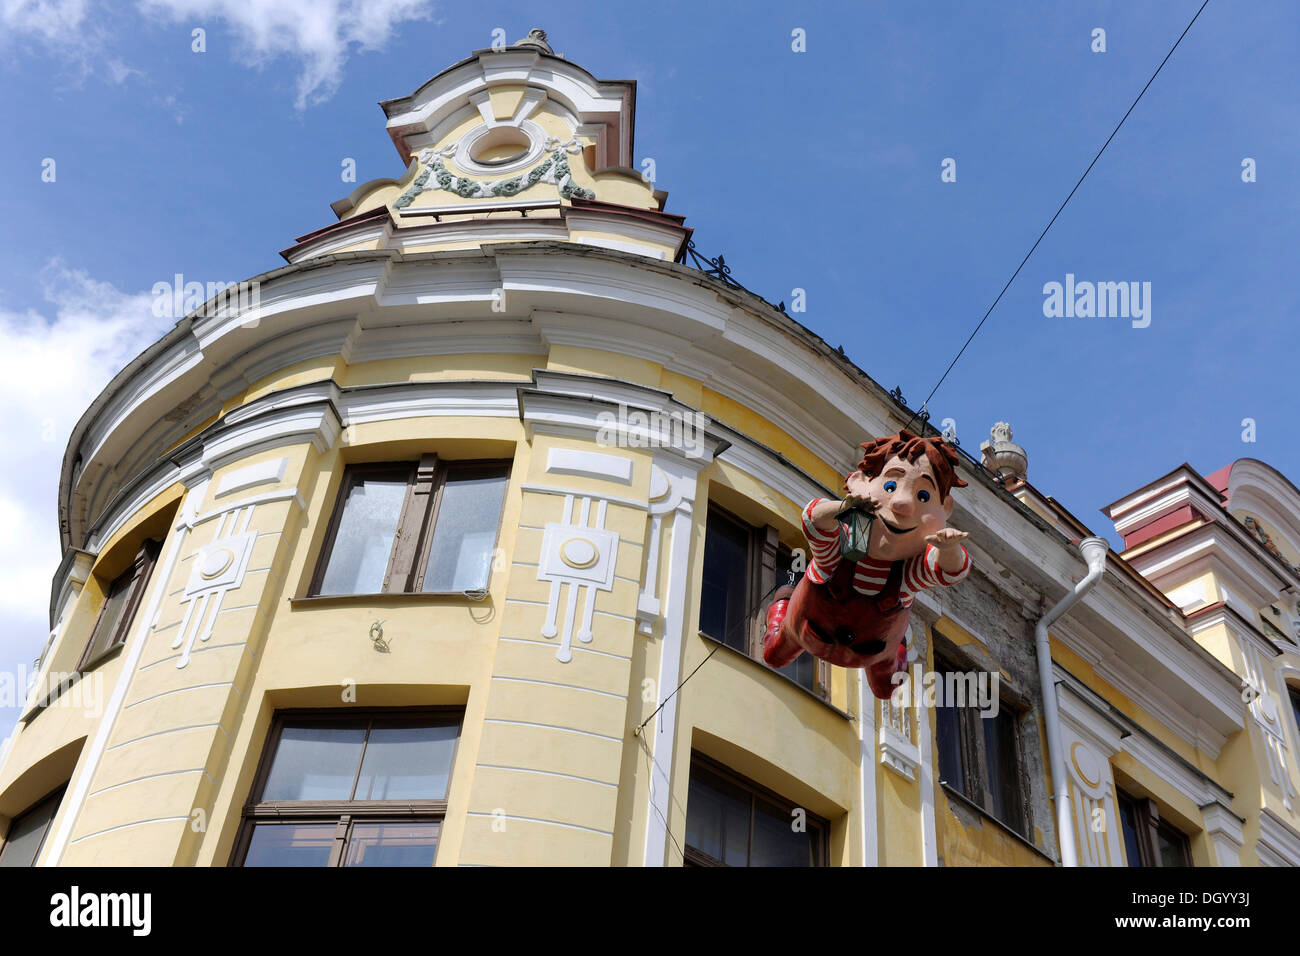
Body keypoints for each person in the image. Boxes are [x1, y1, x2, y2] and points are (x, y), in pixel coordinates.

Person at [763, 430, 971, 698]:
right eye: (890, 486)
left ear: (945, 510)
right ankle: (781, 609)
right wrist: (844, 509)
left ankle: (898, 651)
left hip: (875, 651)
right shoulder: (842, 548)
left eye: (923, 497)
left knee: (886, 689)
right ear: (860, 482)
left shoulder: (908, 572)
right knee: (774, 655)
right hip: (806, 630)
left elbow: (949, 570)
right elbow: (813, 521)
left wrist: (949, 548)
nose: (902, 504)